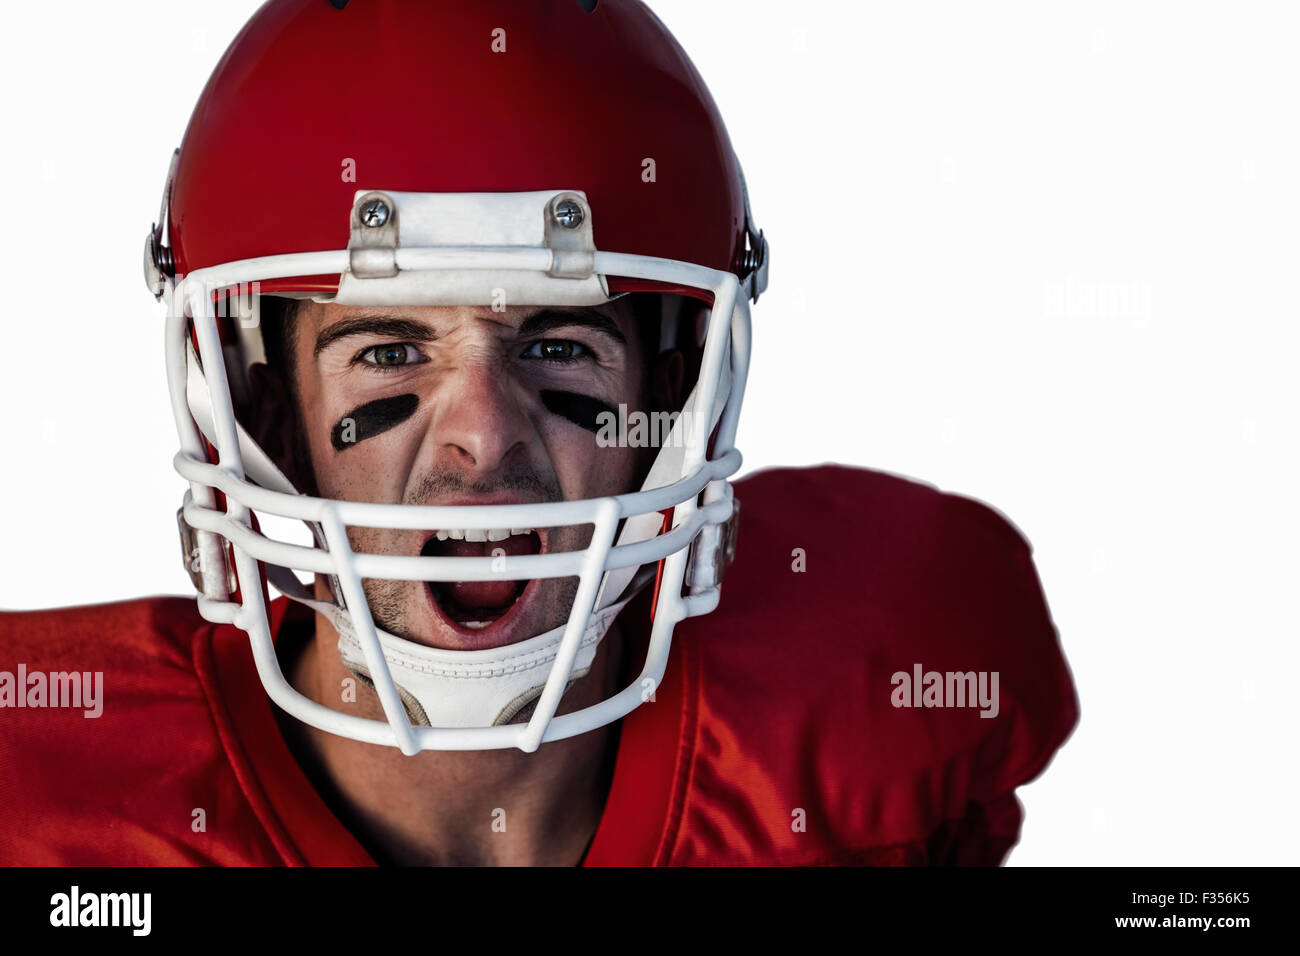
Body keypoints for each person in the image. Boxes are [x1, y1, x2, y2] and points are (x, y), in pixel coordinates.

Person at [0, 0, 1077, 866]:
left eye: (560, 346)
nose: (482, 435)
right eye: (387, 352)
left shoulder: (869, 709)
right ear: (269, 414)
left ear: (672, 393)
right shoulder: (44, 801)